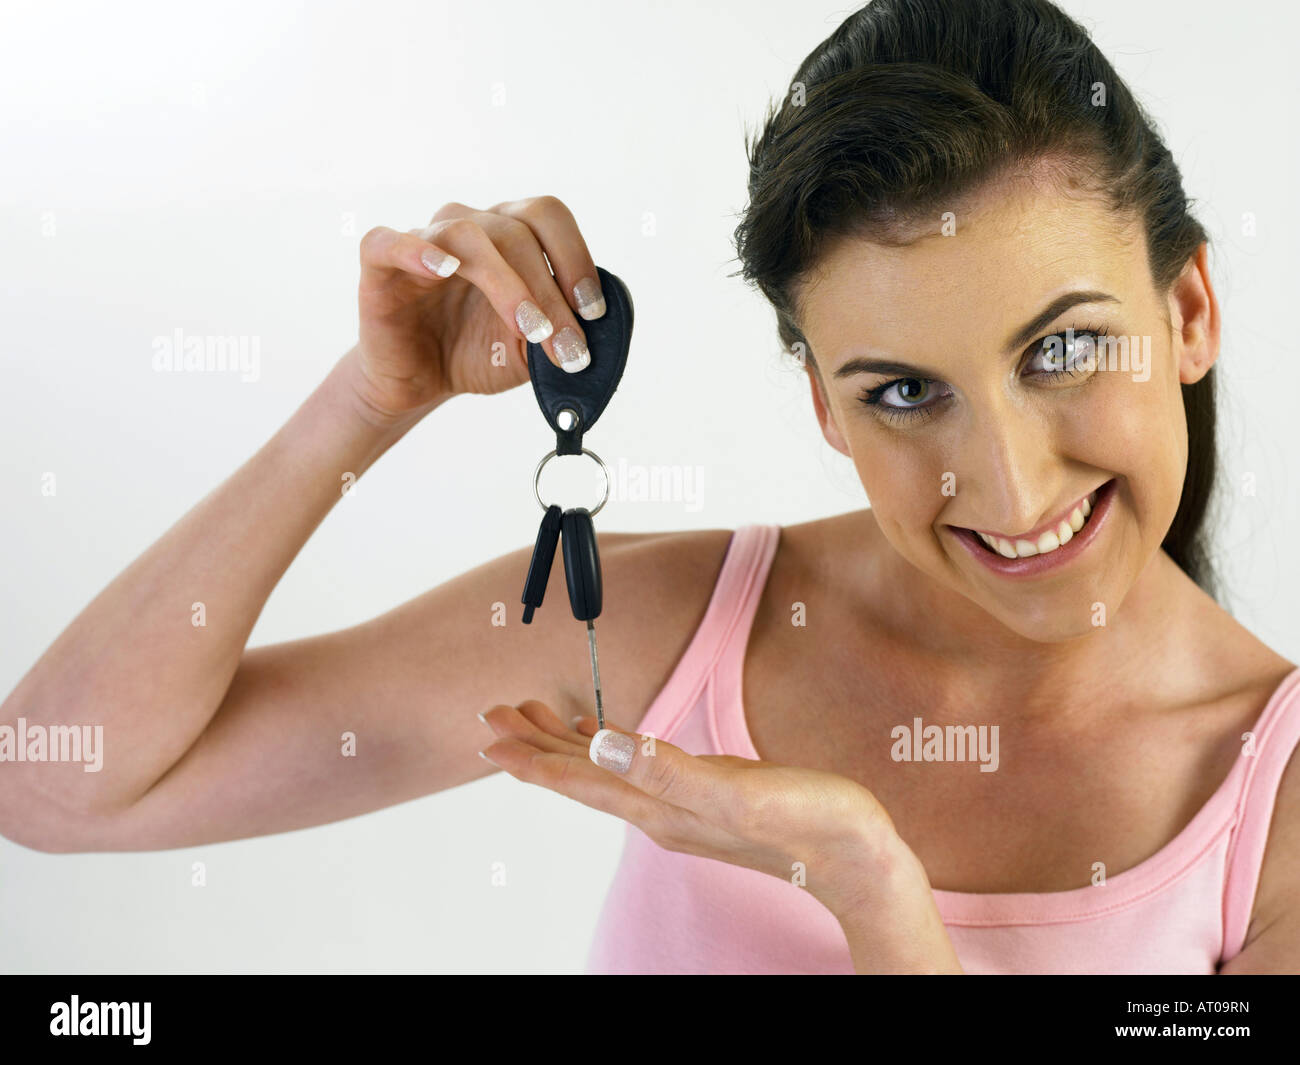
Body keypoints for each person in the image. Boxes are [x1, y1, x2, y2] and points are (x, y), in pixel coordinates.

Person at [2, 0, 1297, 974]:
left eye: (1063, 349)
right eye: (904, 390)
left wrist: (872, 891)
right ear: (822, 407)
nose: (1011, 484)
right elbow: (58, 785)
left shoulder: (1271, 801)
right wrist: (366, 400)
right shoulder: (672, 628)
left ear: (1188, 311)